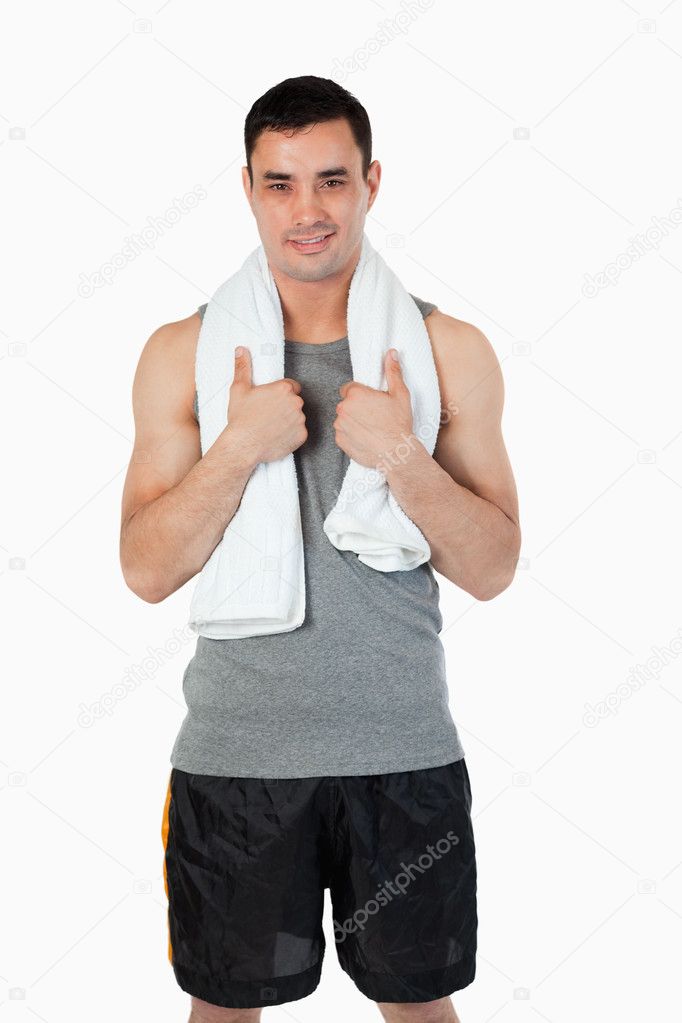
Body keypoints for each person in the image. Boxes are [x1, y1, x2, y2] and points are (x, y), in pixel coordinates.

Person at [120, 75, 521, 1023]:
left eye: (332, 180)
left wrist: (401, 459)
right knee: (223, 1012)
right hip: (236, 762)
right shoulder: (184, 355)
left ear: (372, 183)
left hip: (404, 757)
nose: (308, 210)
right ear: (249, 188)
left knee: (422, 1010)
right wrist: (238, 447)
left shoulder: (444, 350)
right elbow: (145, 568)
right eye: (281, 183)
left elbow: (493, 566)